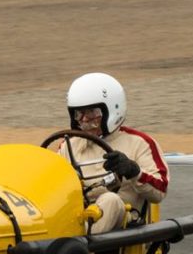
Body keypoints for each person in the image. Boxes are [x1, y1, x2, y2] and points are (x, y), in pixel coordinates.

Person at [60, 72, 168, 233]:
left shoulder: (140, 143)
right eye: (78, 113)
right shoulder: (69, 145)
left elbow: (160, 191)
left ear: (112, 110)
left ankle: (73, 248)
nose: (83, 120)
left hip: (123, 228)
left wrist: (134, 171)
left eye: (91, 113)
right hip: (76, 218)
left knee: (110, 200)